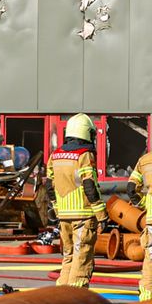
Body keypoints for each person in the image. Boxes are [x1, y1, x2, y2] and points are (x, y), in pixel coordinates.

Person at [45, 113, 107, 288]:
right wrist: (102, 215)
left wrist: (57, 210)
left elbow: (49, 186)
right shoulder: (84, 155)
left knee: (69, 256)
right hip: (83, 215)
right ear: (87, 133)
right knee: (82, 258)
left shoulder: (55, 155)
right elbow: (89, 186)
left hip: (64, 216)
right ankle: (76, 299)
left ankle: (62, 296)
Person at [127, 148, 152, 302]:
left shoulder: (145, 160)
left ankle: (146, 301)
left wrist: (145, 204)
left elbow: (131, 189)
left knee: (150, 261)